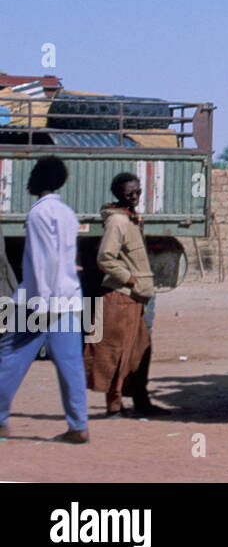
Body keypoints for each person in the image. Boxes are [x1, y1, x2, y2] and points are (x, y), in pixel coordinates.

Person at [0, 156, 90, 443]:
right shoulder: (67, 213)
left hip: (39, 302)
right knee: (71, 365)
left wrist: (38, 306)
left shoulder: (38, 214)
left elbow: (42, 263)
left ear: (36, 179)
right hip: (69, 300)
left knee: (9, 358)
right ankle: (79, 425)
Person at [84, 172, 159, 417]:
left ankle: (141, 401)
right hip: (120, 297)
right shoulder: (118, 222)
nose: (135, 196)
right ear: (119, 194)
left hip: (134, 298)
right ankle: (114, 406)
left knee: (138, 351)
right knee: (116, 352)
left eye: (138, 191)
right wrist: (130, 279)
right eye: (130, 193)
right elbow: (105, 258)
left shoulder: (130, 220)